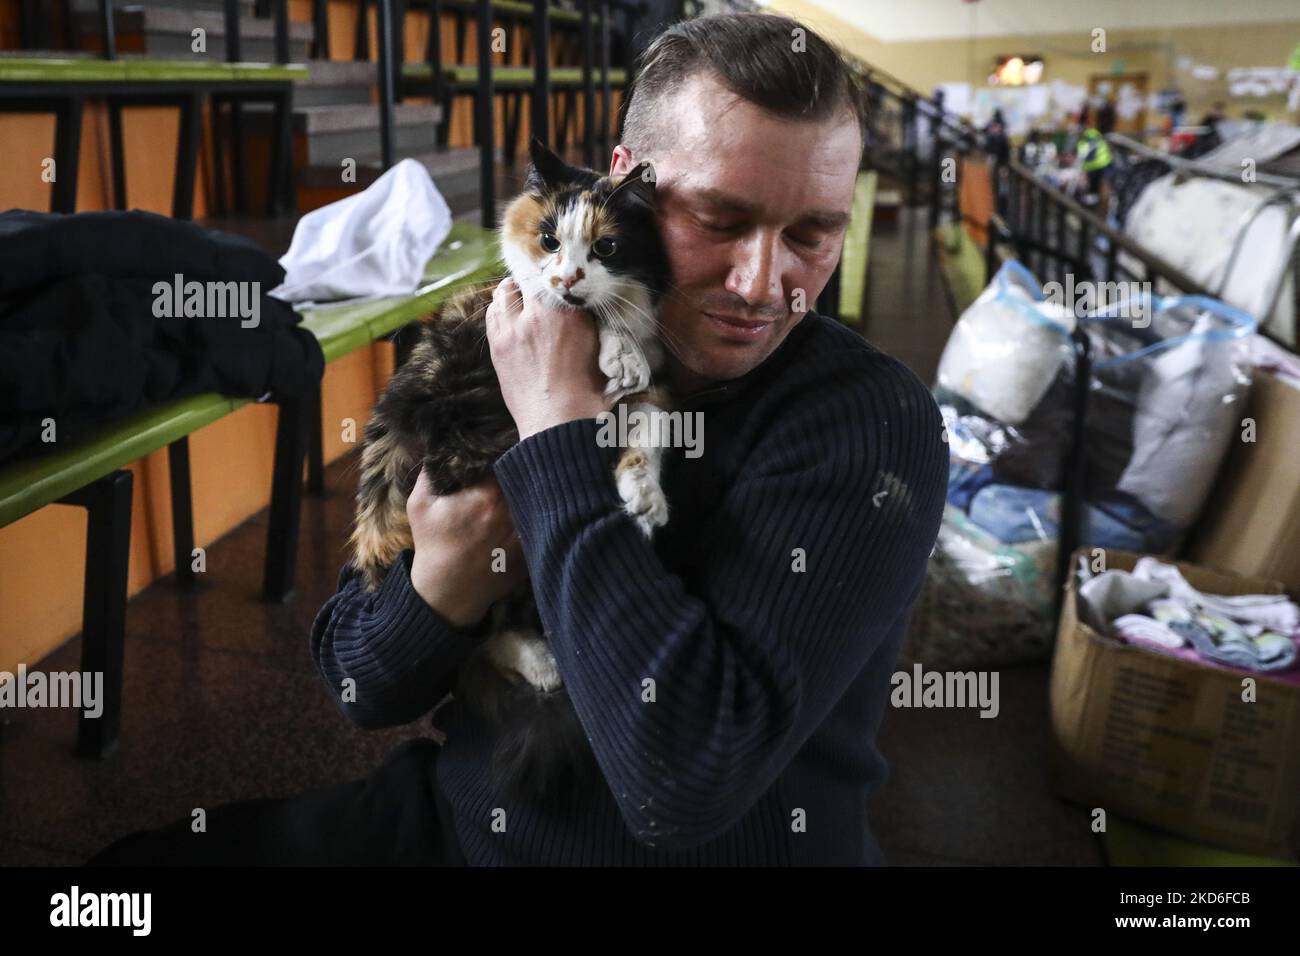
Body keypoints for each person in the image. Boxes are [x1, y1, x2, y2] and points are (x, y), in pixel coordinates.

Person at [88, 11, 947, 867]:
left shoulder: (871, 424)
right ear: (624, 188)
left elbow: (679, 785)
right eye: (719, 221)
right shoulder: (498, 341)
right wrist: (441, 584)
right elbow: (358, 682)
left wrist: (557, 433)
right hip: (464, 825)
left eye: (811, 234)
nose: (764, 285)